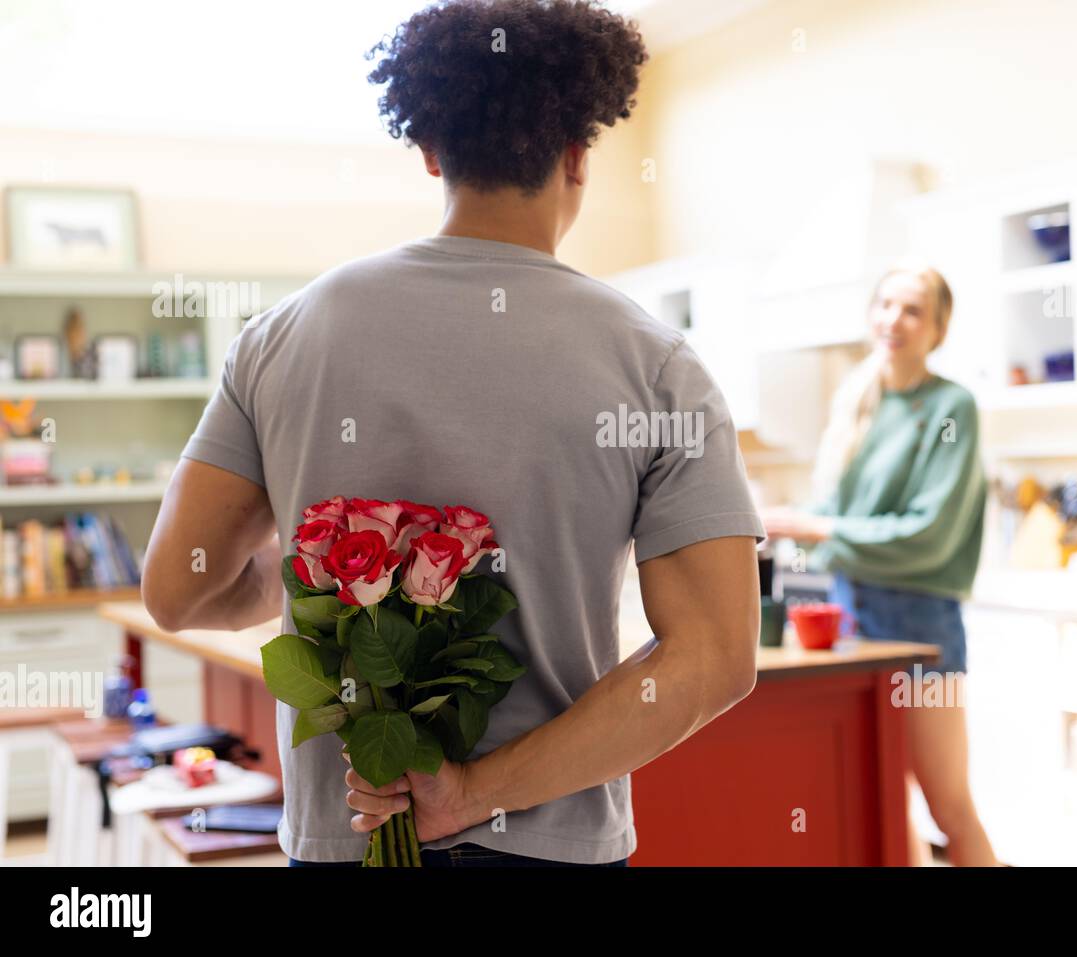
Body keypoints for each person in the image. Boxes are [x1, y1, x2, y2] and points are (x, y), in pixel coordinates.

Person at [141, 0, 764, 867]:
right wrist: (474, 792)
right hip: (555, 849)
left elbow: (180, 589)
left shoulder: (283, 336)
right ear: (579, 155)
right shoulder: (656, 364)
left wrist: (314, 581)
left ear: (432, 152)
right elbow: (718, 656)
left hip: (343, 840)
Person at [760, 264, 998, 866]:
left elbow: (929, 534)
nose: (894, 319)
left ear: (939, 328)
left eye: (914, 309)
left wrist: (816, 527)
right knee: (883, 802)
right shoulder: (857, 402)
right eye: (886, 304)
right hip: (848, 620)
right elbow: (836, 514)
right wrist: (786, 518)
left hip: (919, 626)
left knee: (948, 807)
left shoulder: (951, 409)